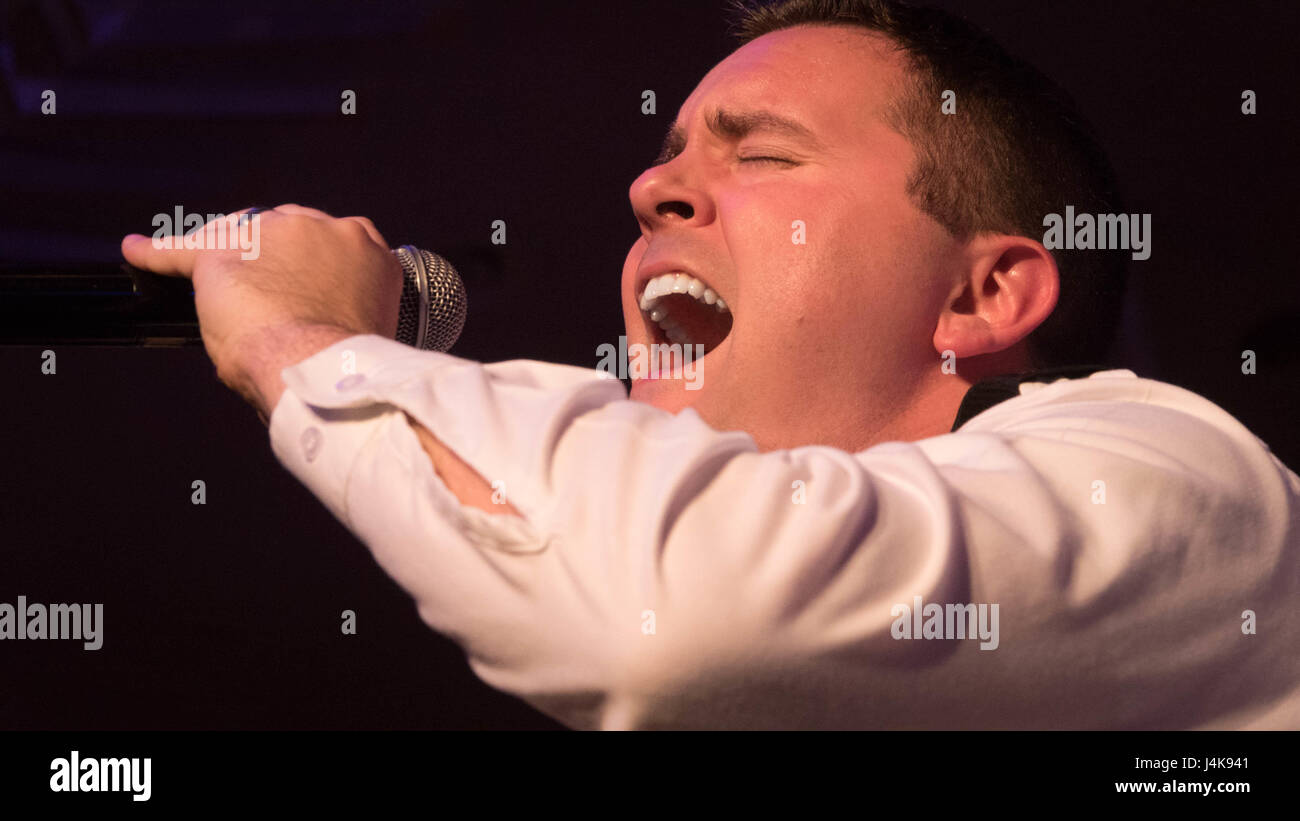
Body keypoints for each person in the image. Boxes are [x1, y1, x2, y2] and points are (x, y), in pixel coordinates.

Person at [119, 0, 1300, 729]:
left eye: (767, 157)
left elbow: (664, 612)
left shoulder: (1180, 477)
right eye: (668, 155)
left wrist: (306, 344)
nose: (648, 189)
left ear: (982, 294)